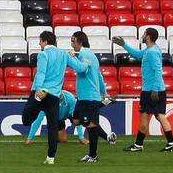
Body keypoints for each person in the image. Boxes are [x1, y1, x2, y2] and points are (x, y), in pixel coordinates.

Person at [113, 28, 173, 152]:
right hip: (157, 89)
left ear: (147, 37)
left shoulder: (152, 52)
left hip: (151, 90)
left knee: (146, 116)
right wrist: (124, 45)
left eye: (144, 34)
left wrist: (154, 90)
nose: (142, 36)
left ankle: (139, 144)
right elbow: (138, 54)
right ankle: (171, 142)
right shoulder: (151, 50)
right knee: (160, 116)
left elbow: (158, 70)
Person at [21, 30, 68, 164]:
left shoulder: (43, 54)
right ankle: (51, 157)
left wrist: (40, 89)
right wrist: (85, 65)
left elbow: (41, 72)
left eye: (40, 41)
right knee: (52, 126)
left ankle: (36, 108)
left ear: (45, 41)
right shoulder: (64, 54)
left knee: (26, 120)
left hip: (40, 93)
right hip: (53, 95)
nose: (39, 43)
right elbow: (79, 67)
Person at [66, 30, 110, 163]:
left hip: (88, 96)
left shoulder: (84, 54)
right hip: (86, 96)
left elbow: (82, 69)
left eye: (73, 41)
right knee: (76, 120)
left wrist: (71, 58)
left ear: (80, 41)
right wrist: (104, 92)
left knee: (90, 125)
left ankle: (93, 155)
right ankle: (106, 138)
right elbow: (99, 76)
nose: (72, 44)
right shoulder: (92, 55)